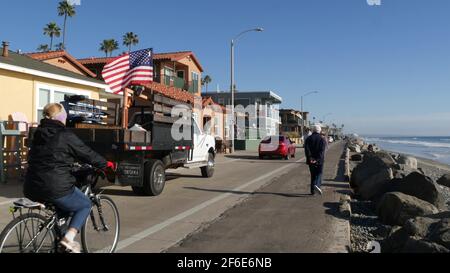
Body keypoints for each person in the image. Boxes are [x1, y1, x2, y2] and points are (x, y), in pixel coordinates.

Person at [24, 103, 114, 253]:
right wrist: (106, 164)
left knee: (63, 206)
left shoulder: (38, 133)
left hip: (30, 186)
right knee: (84, 204)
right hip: (53, 186)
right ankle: (68, 239)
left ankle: (60, 238)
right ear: (61, 118)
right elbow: (86, 153)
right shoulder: (65, 135)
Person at [304, 124, 327, 195]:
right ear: (319, 131)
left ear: (313, 130)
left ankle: (312, 191)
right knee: (319, 173)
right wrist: (317, 159)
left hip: (310, 160)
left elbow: (307, 150)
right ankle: (317, 185)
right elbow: (321, 151)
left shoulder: (308, 139)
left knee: (313, 175)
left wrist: (310, 158)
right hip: (319, 160)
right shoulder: (322, 139)